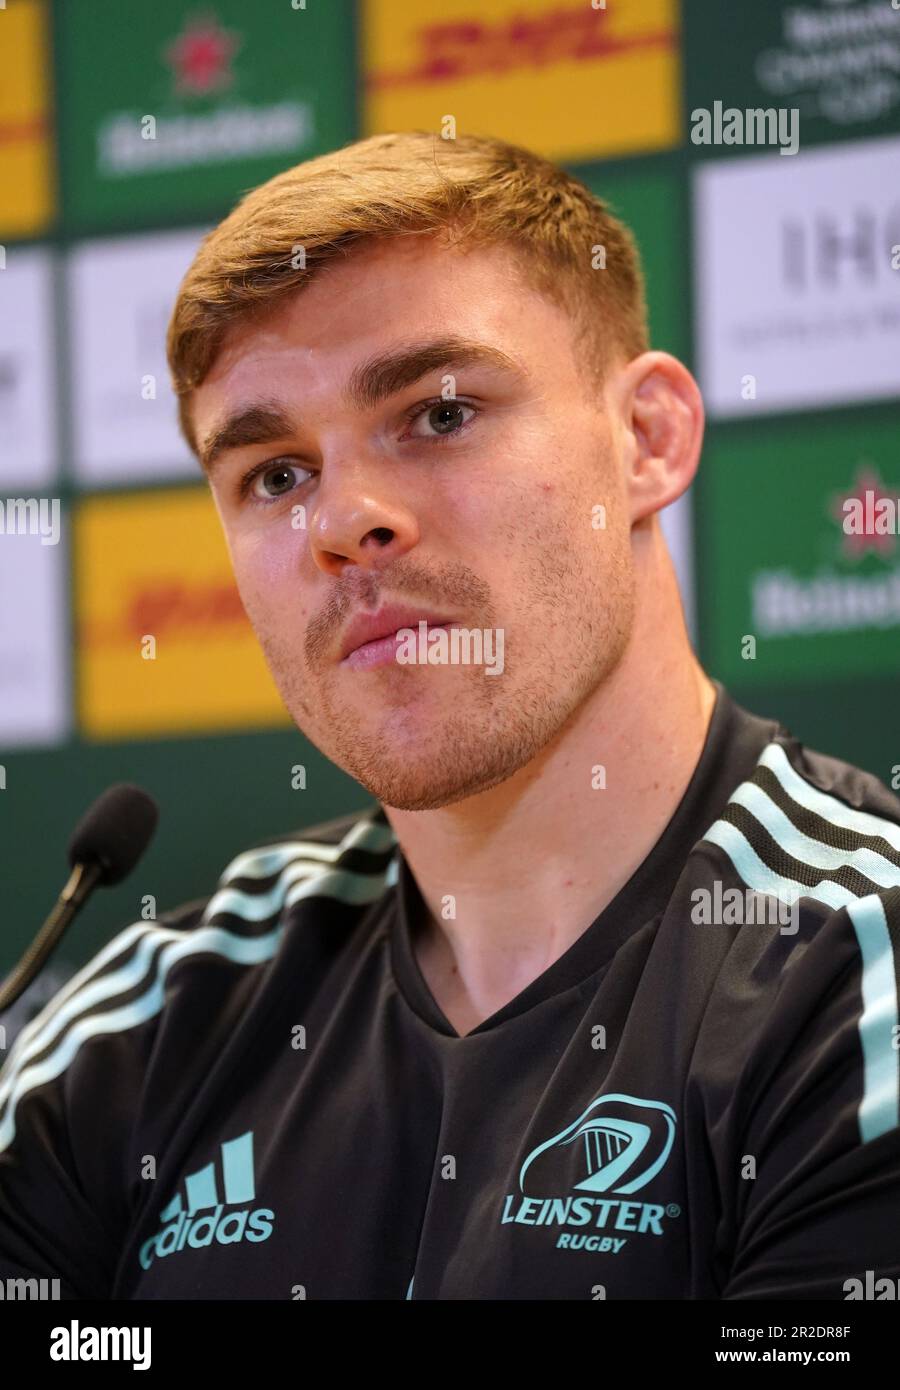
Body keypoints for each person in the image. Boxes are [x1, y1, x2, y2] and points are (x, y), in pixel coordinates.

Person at [1, 131, 899, 1301]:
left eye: (438, 413)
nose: (344, 520)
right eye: (275, 474)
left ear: (648, 439)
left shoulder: (857, 973)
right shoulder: (145, 1021)